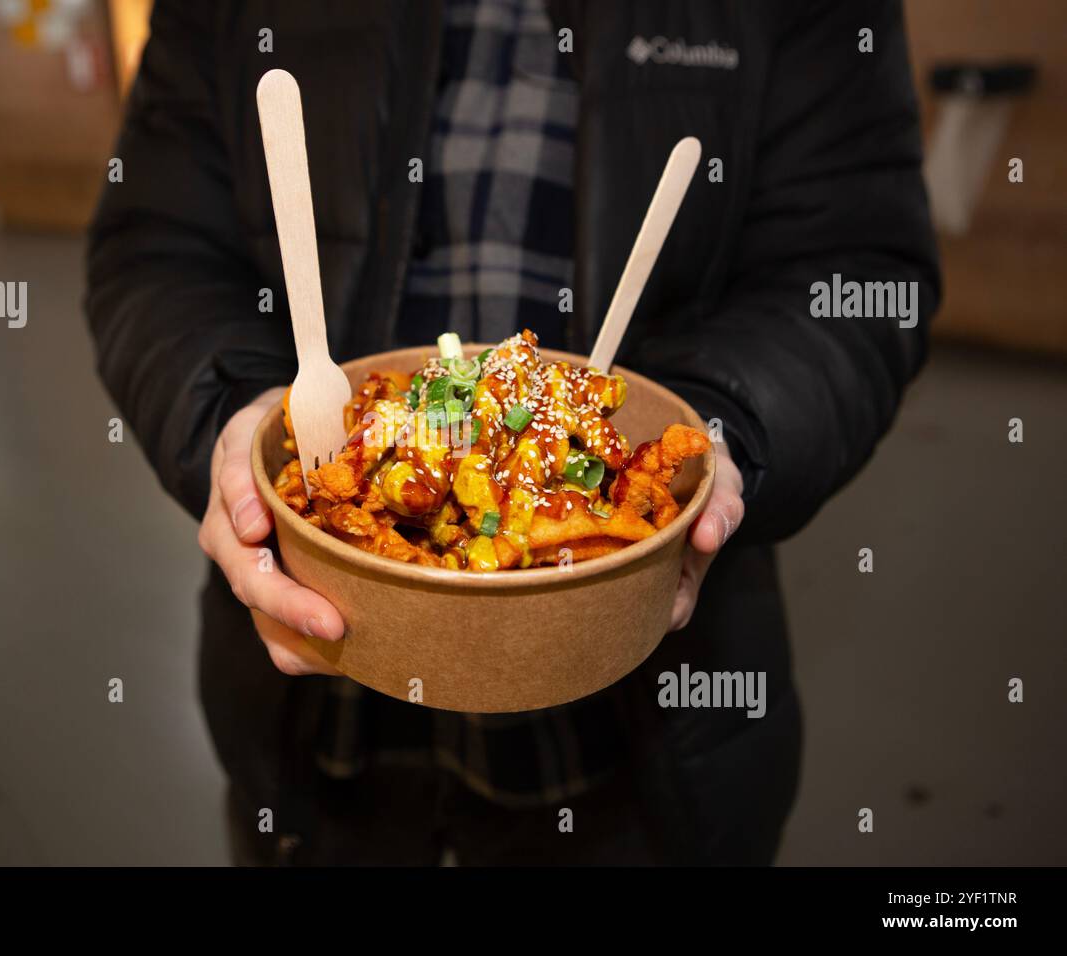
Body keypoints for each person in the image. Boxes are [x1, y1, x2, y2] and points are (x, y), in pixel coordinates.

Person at [85, 0, 938, 865]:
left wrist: (727, 420)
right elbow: (155, 246)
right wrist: (230, 412)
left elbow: (858, 269)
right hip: (309, 745)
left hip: (645, 764)